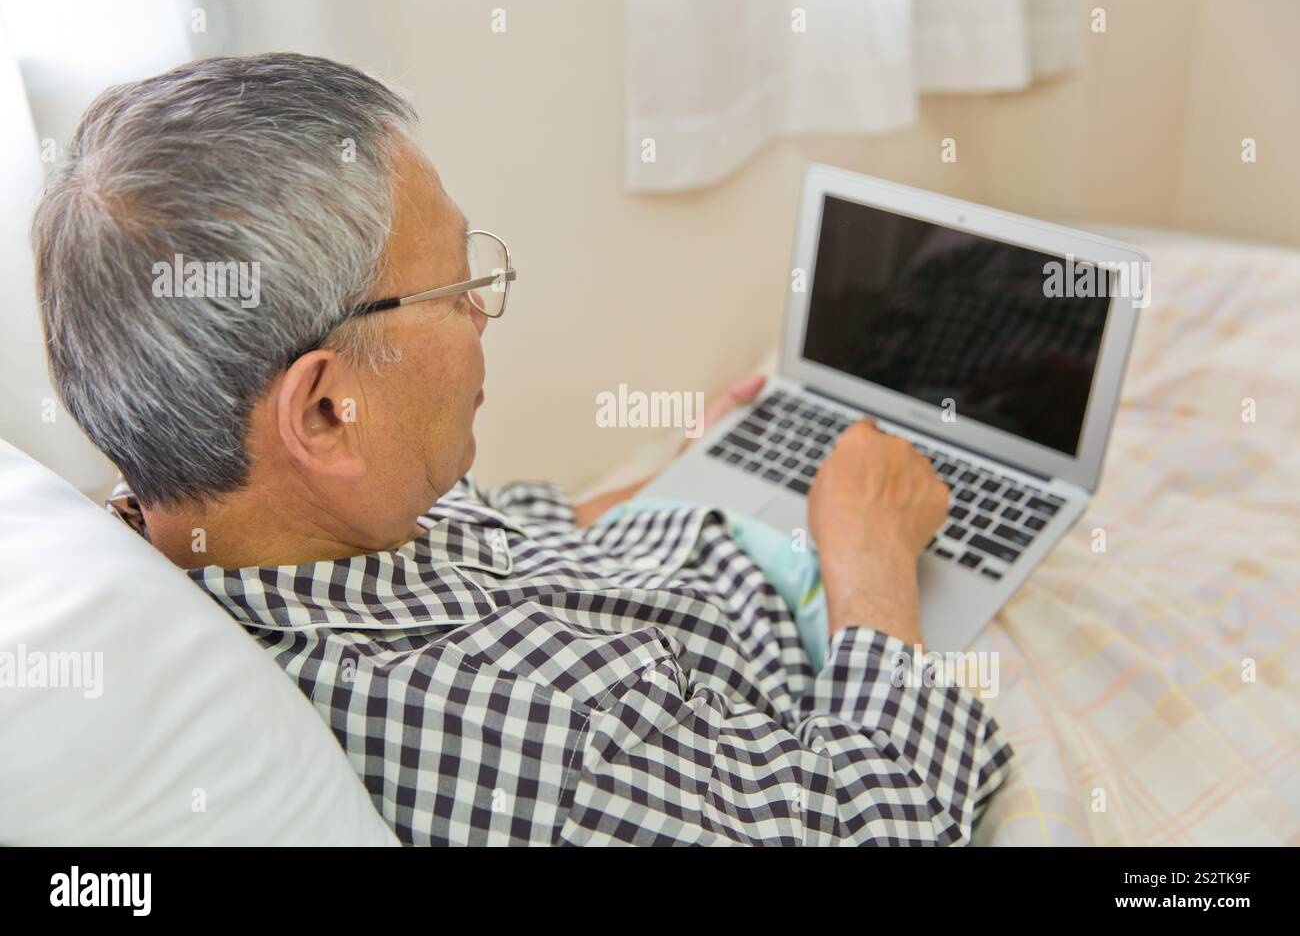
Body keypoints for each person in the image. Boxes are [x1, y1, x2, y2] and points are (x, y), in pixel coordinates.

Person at [33, 53, 1012, 845]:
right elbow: (881, 819)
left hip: (698, 546)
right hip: (858, 656)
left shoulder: (217, 508)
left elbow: (498, 535)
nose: (482, 311)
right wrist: (872, 564)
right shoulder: (538, 735)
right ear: (327, 413)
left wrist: (680, 469)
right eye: (453, 289)